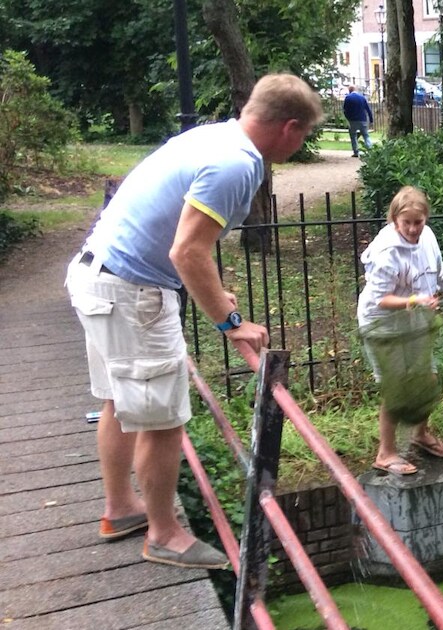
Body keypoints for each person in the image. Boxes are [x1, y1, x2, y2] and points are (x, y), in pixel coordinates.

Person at [65, 73, 323, 569]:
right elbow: (186, 250)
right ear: (289, 127)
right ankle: (164, 534)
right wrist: (232, 322)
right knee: (164, 420)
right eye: (305, 134)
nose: (302, 143)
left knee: (119, 401)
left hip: (98, 275)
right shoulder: (237, 165)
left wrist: (204, 289)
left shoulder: (212, 137)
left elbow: (180, 242)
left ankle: (121, 509)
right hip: (134, 292)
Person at [357, 186, 443, 475]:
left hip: (414, 321)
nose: (413, 229)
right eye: (407, 223)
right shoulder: (387, 251)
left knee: (427, 377)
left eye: (418, 222)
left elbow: (438, 271)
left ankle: (419, 433)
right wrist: (414, 300)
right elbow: (380, 299)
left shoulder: (427, 237)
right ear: (394, 220)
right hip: (382, 324)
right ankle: (385, 454)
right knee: (397, 388)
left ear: (426, 219)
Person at [342, 85, 373, 157]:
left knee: (353, 136)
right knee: (366, 135)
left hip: (352, 120)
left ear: (349, 91)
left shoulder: (348, 98)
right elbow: (368, 110)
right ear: (355, 89)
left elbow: (345, 110)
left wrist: (348, 118)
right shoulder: (362, 98)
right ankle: (370, 150)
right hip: (362, 119)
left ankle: (356, 152)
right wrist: (371, 120)